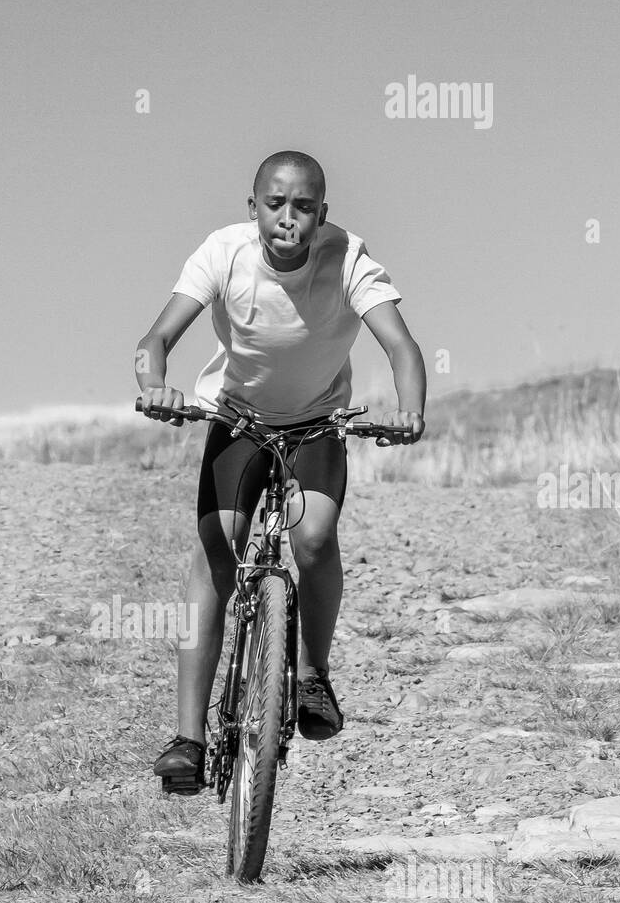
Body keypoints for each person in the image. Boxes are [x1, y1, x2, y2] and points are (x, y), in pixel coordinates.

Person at [135, 151, 425, 792]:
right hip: (237, 420)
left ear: (323, 215)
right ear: (253, 207)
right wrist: (156, 386)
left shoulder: (349, 259)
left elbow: (401, 346)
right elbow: (154, 342)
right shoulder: (224, 253)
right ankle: (187, 737)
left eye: (303, 208)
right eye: (274, 204)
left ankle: (310, 677)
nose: (287, 219)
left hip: (318, 423)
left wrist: (410, 410)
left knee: (314, 537)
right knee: (219, 545)